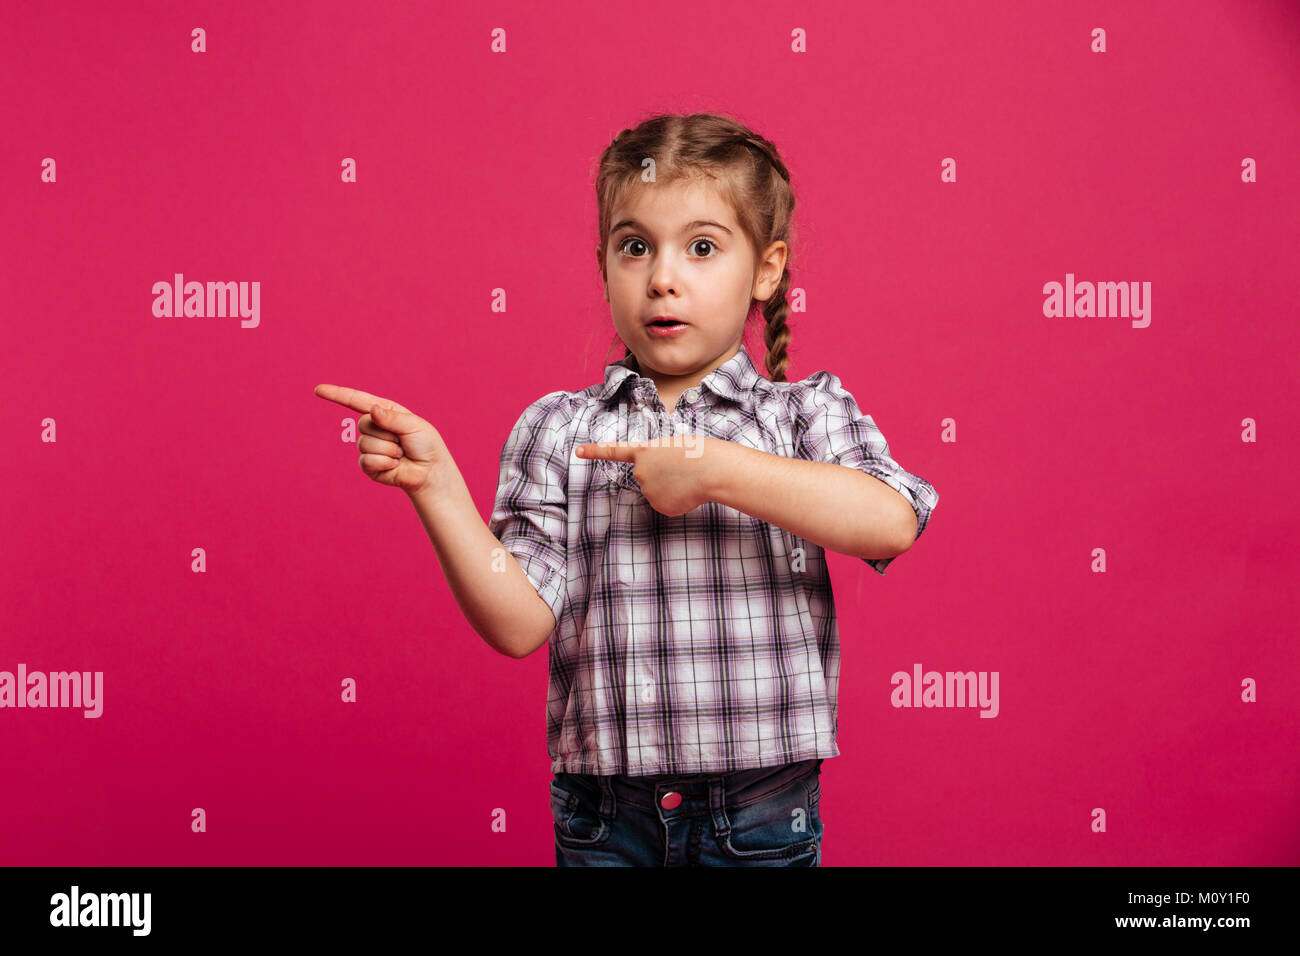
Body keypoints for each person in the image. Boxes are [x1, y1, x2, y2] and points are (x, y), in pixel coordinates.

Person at [315, 111, 938, 867]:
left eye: (702, 247)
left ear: (766, 270)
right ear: (604, 264)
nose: (663, 277)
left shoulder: (803, 412)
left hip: (762, 814)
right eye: (635, 246)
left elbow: (891, 518)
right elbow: (518, 626)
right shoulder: (558, 428)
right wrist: (437, 484)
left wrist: (714, 469)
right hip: (605, 820)